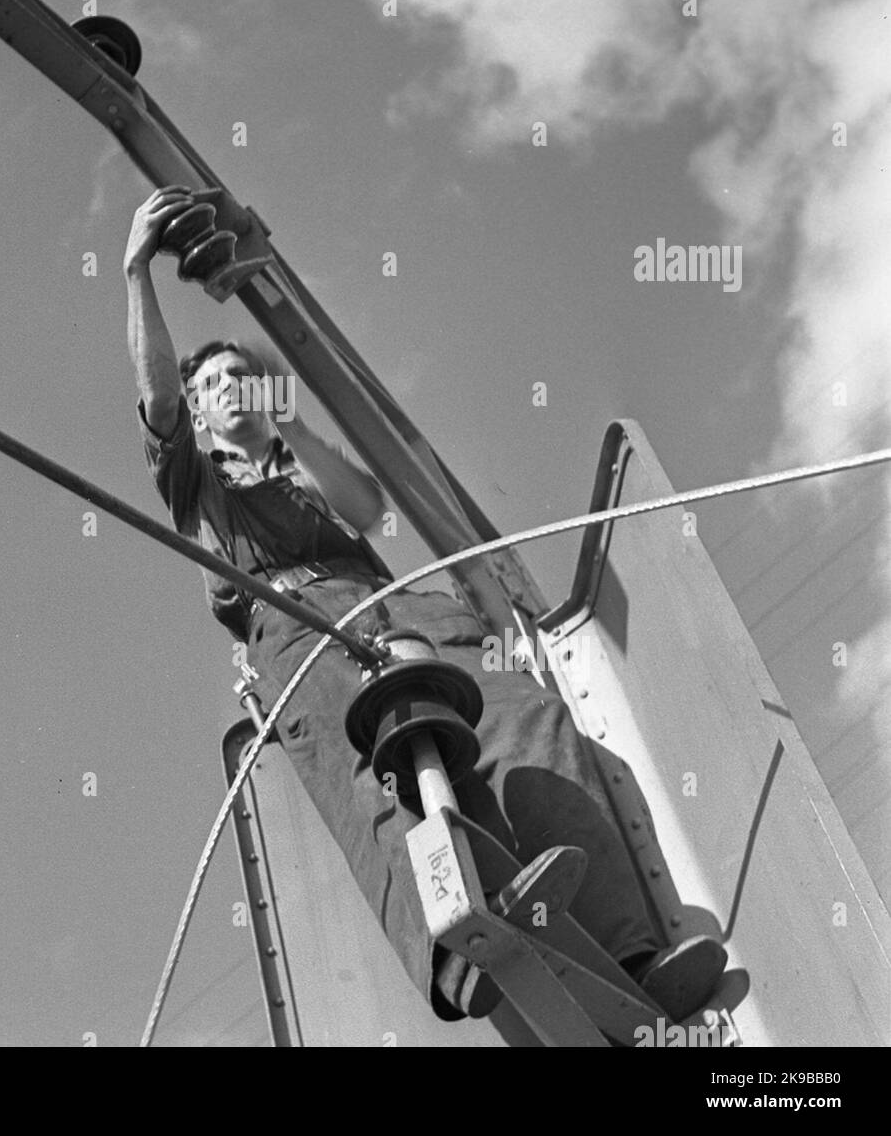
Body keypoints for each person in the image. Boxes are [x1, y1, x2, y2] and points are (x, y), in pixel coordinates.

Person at [124, 184, 728, 1026]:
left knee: (529, 719)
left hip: (399, 609)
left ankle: (631, 948)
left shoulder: (300, 474)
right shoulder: (199, 486)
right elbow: (156, 404)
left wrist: (284, 416)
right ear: (196, 406)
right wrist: (135, 276)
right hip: (299, 631)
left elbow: (366, 509)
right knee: (375, 773)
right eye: (216, 383)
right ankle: (453, 949)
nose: (232, 389)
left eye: (240, 377)